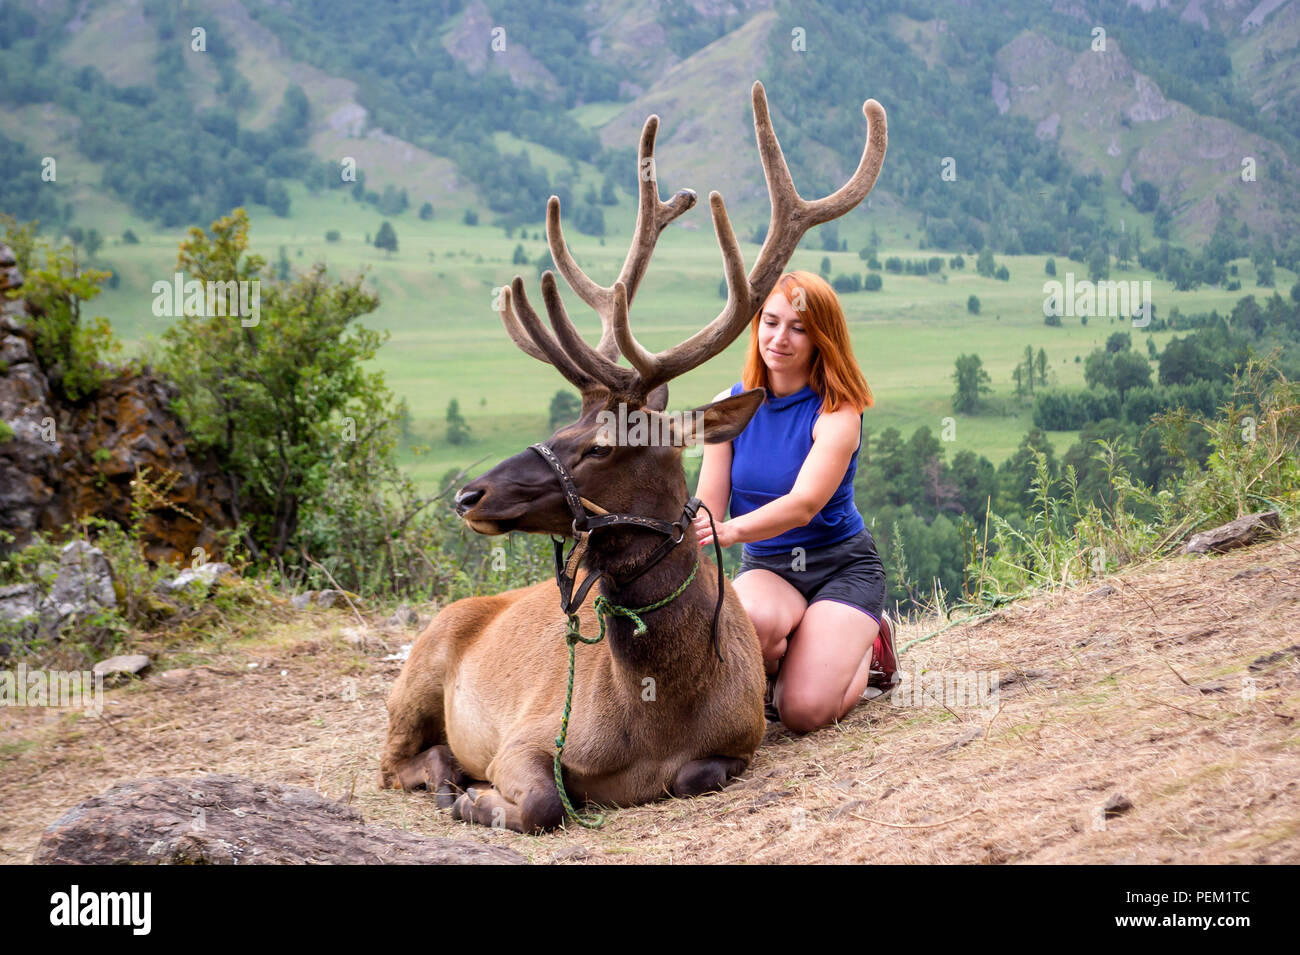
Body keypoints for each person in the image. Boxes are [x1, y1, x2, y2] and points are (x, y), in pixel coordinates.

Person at [693, 270, 896, 733]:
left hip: (841, 568)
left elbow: (804, 504)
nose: (779, 338)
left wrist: (733, 531)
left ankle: (871, 646)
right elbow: (707, 508)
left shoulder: (838, 410)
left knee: (801, 714)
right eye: (770, 322)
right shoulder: (727, 406)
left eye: (798, 328)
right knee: (752, 624)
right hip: (769, 567)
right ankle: (808, 646)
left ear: (821, 338)